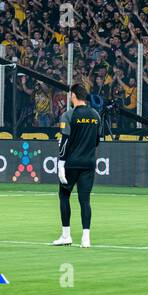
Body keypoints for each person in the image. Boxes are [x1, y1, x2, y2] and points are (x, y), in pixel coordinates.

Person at [52, 82, 100, 249]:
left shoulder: (68, 115)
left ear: (73, 96)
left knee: (64, 196)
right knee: (85, 200)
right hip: (89, 163)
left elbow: (64, 142)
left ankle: (66, 235)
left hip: (71, 163)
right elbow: (96, 141)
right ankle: (86, 238)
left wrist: (61, 164)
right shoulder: (96, 115)